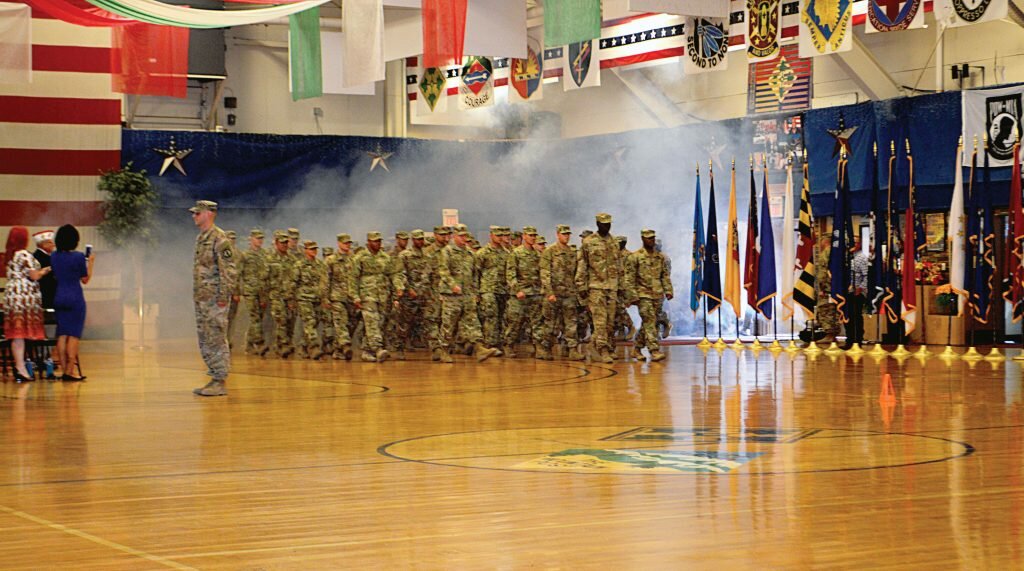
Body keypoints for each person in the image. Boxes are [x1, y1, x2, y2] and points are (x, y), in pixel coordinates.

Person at [189, 200, 237, 397]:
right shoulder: (202, 238)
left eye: (198, 213)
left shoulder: (220, 238)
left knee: (216, 337)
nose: (194, 216)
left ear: (209, 213)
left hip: (215, 300)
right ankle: (214, 376)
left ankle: (220, 379)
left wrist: (224, 296)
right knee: (206, 337)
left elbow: (230, 270)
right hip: (203, 298)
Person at [3, 226, 50, 382]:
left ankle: (20, 367)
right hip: (23, 298)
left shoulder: (9, 255)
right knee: (20, 335)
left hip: (12, 296)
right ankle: (21, 369)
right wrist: (45, 270)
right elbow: (34, 275)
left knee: (17, 335)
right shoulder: (23, 254)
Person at [576, 213, 621, 364]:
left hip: (612, 287)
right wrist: (581, 285)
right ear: (597, 223)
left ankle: (594, 345)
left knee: (609, 321)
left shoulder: (614, 242)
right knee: (600, 321)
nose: (606, 226)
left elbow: (619, 265)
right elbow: (582, 265)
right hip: (596, 287)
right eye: (603, 223)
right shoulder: (589, 242)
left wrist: (621, 286)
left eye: (608, 223)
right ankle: (603, 349)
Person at [51, 224, 94, 381]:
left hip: (60, 295)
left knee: (62, 334)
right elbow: (85, 279)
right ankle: (70, 371)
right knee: (74, 335)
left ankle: (63, 370)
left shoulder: (54, 256)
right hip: (75, 296)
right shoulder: (78, 257)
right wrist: (91, 262)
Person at [624, 228, 674, 362]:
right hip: (643, 295)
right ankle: (654, 350)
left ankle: (637, 348)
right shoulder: (635, 257)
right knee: (650, 321)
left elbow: (664, 276)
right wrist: (632, 295)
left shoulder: (660, 258)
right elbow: (629, 278)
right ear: (642, 239)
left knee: (650, 323)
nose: (651, 240)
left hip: (657, 295)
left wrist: (668, 290)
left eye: (652, 238)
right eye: (648, 238)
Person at [540, 225, 582, 361]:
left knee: (571, 324)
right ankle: (546, 348)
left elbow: (576, 273)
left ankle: (572, 350)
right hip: (554, 294)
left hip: (569, 293)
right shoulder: (550, 251)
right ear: (557, 234)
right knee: (551, 324)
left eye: (568, 234)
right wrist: (549, 292)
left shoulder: (571, 252)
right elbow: (545, 273)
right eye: (564, 234)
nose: (566, 236)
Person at [846, 239, 870, 348]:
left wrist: (861, 288)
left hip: (857, 292)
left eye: (855, 242)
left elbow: (867, 275)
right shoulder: (847, 257)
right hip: (847, 291)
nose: (853, 245)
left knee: (856, 316)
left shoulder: (862, 258)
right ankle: (849, 339)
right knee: (847, 316)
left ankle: (857, 340)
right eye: (851, 242)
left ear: (859, 244)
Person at [32, 230, 57, 311]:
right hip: (45, 293)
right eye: (50, 242)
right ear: (43, 244)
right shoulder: (37, 257)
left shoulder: (50, 256)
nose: (53, 245)